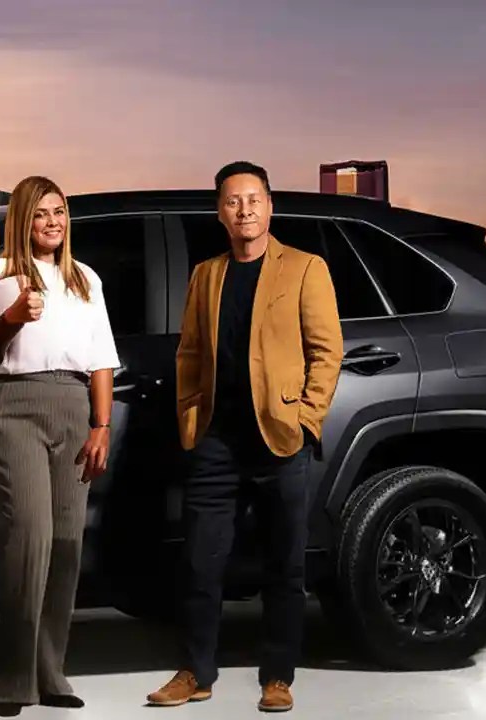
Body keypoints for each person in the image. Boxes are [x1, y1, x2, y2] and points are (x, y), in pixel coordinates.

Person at [146, 161, 343, 713]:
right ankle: (195, 672)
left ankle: (277, 676)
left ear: (269, 206)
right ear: (220, 213)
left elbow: (327, 352)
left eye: (253, 199)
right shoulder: (206, 274)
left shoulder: (306, 269)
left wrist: (307, 419)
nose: (245, 210)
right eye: (233, 202)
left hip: (281, 438)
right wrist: (190, 416)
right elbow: (189, 353)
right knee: (200, 563)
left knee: (286, 563)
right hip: (216, 439)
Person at [0, 175, 119, 717]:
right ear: (21, 221)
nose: (52, 222)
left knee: (66, 544)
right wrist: (11, 318)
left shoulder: (84, 280)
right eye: (40, 214)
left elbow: (102, 357)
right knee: (27, 539)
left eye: (58, 212)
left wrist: (101, 425)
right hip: (12, 407)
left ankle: (52, 674)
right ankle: (15, 681)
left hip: (73, 409)